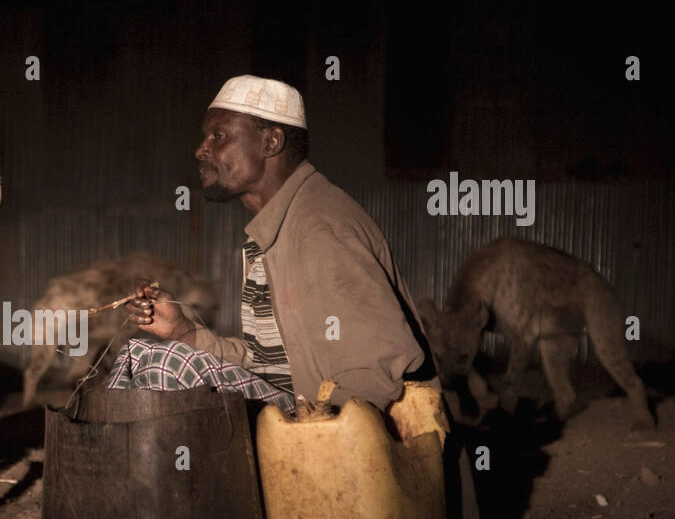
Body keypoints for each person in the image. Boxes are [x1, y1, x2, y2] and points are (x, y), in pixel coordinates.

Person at [107, 74, 435, 409]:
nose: (201, 149)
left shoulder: (318, 228)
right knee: (139, 353)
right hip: (297, 410)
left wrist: (324, 441)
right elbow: (266, 362)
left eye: (219, 136)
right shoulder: (273, 230)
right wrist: (183, 332)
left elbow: (382, 361)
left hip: (326, 430)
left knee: (162, 363)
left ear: (270, 143)